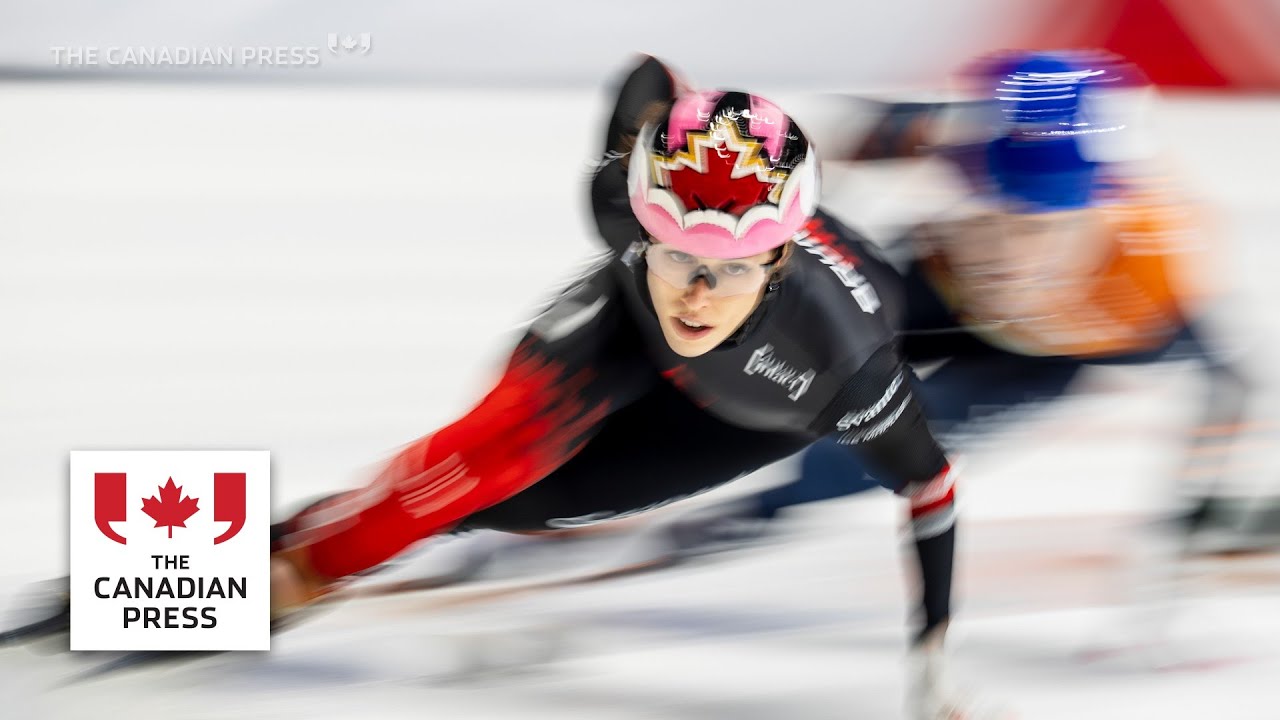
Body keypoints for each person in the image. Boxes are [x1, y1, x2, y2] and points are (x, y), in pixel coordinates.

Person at [268, 56, 989, 718]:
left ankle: (309, 551)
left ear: (776, 261)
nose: (699, 298)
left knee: (515, 506)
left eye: (734, 268)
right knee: (484, 462)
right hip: (624, 322)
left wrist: (931, 654)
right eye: (680, 255)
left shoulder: (845, 365)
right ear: (647, 222)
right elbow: (647, 72)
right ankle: (270, 573)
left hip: (753, 410)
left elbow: (931, 488)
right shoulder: (619, 198)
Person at [669, 50, 1269, 567]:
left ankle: (730, 516)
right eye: (987, 213)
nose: (1008, 253)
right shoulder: (951, 134)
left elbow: (1231, 381)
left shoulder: (1156, 277)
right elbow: (802, 156)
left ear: (1101, 216)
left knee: (874, 450)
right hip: (942, 289)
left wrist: (1199, 500)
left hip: (1041, 358)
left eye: (1037, 231)